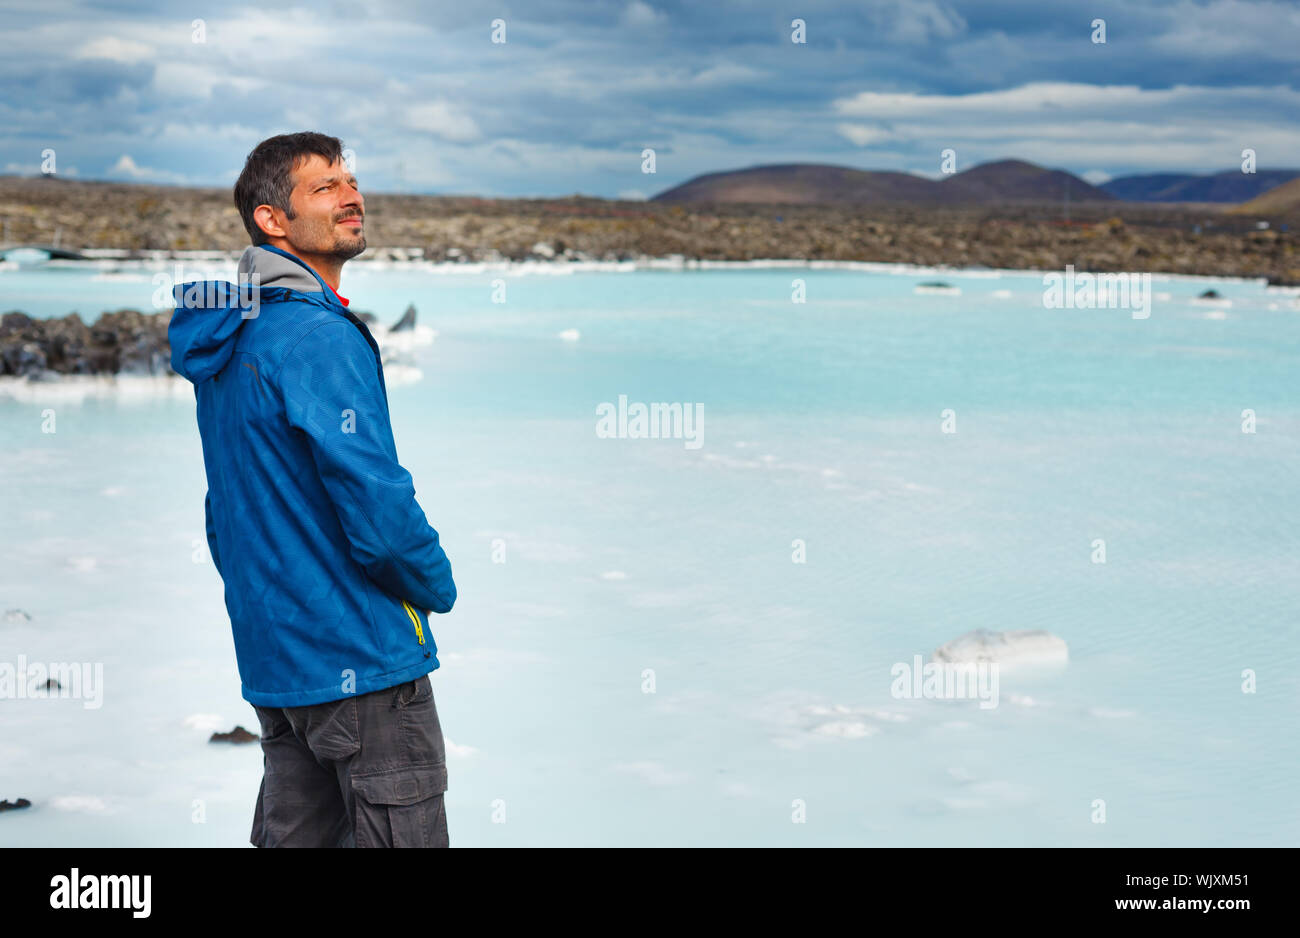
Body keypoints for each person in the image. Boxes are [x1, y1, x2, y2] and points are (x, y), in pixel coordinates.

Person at [168, 132, 457, 847]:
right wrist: (434, 585)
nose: (352, 196)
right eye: (325, 187)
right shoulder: (315, 336)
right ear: (273, 219)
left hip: (279, 662)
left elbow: (226, 513)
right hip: (361, 658)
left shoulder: (234, 334)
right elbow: (376, 507)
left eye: (352, 181)